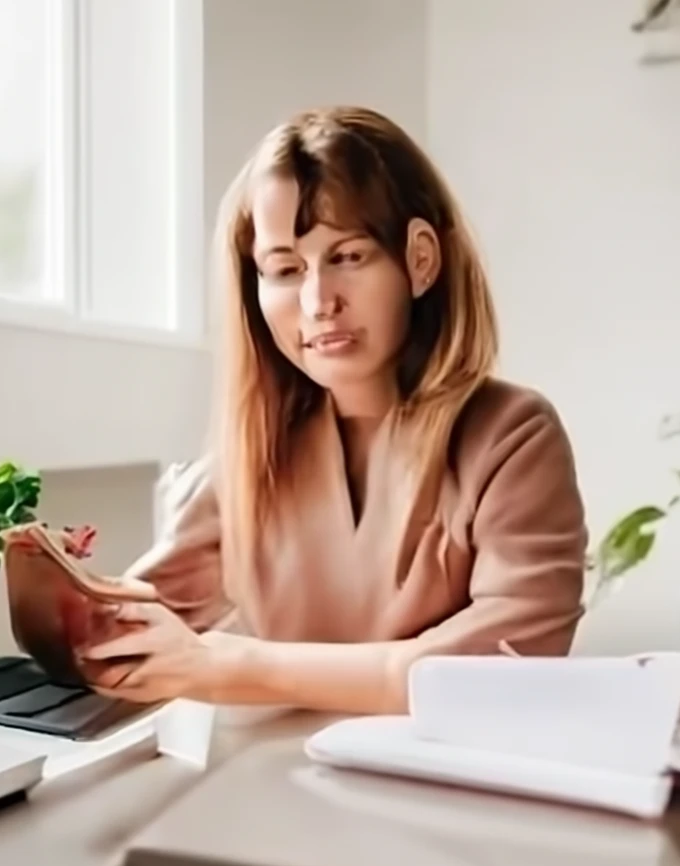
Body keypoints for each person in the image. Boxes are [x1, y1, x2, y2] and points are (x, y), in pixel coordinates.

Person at [75, 105, 588, 715]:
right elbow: (120, 636)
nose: (319, 302)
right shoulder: (250, 459)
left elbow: (502, 668)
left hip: (448, 796)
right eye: (285, 269)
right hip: (278, 781)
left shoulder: (513, 438)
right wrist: (51, 577)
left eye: (347, 257)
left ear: (420, 259)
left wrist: (232, 663)